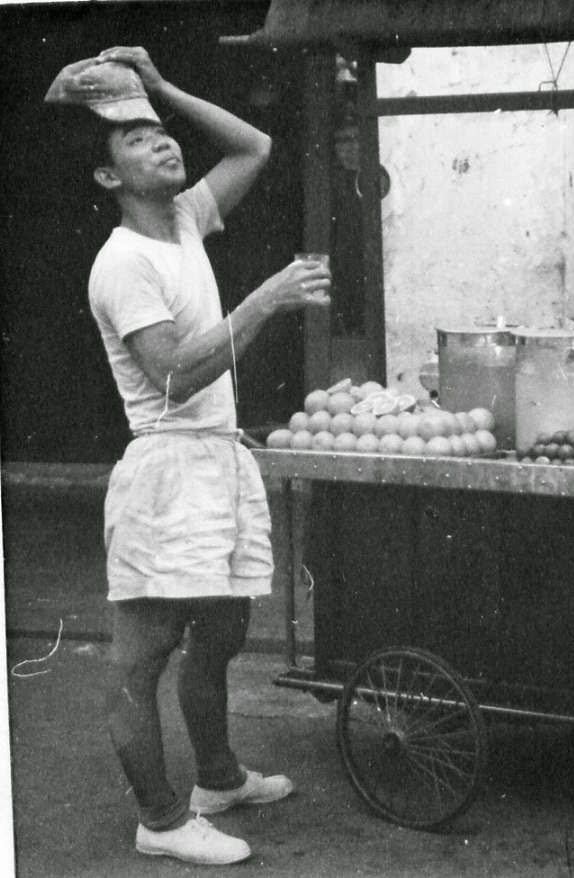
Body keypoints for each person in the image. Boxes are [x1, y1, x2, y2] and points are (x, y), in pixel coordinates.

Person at [51, 47, 331, 864]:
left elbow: (253, 148)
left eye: (158, 130)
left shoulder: (181, 220)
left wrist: (164, 86)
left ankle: (218, 777)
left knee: (221, 635)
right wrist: (265, 300)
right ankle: (161, 820)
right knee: (141, 658)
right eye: (135, 141)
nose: (162, 142)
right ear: (108, 179)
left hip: (217, 457)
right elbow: (173, 372)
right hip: (166, 463)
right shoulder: (122, 262)